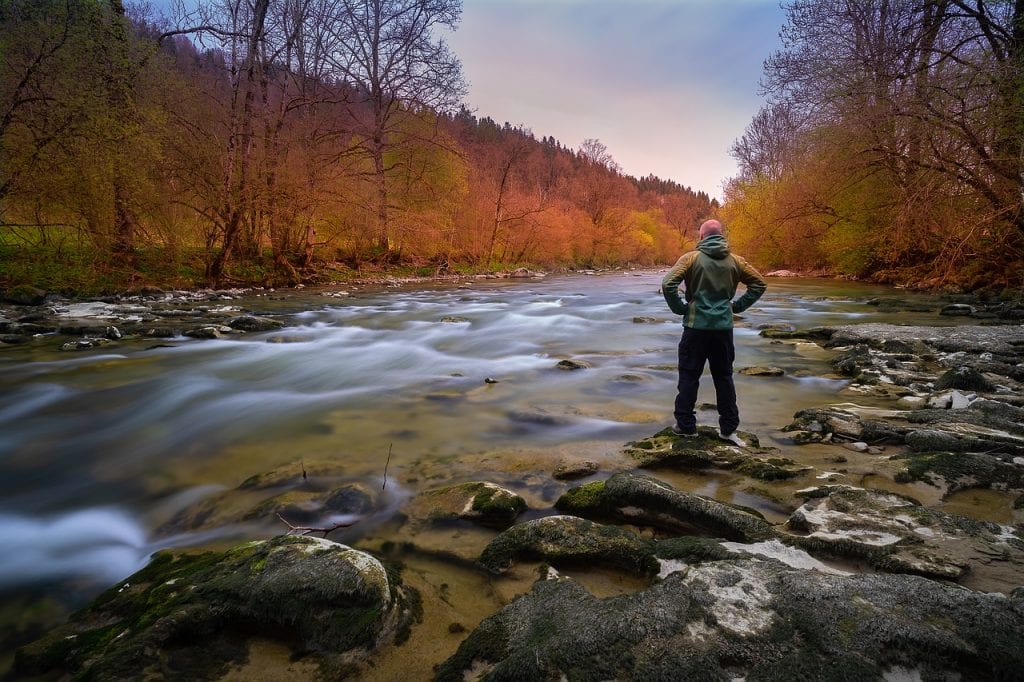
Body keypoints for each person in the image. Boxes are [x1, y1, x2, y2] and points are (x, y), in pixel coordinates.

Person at [661, 219, 766, 446]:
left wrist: (681, 308)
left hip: (695, 327)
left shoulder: (690, 258)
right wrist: (736, 307)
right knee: (724, 377)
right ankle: (728, 429)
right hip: (723, 329)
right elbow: (759, 284)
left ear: (702, 237)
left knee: (689, 376)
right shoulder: (736, 261)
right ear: (721, 236)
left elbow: (668, 284)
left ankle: (686, 427)